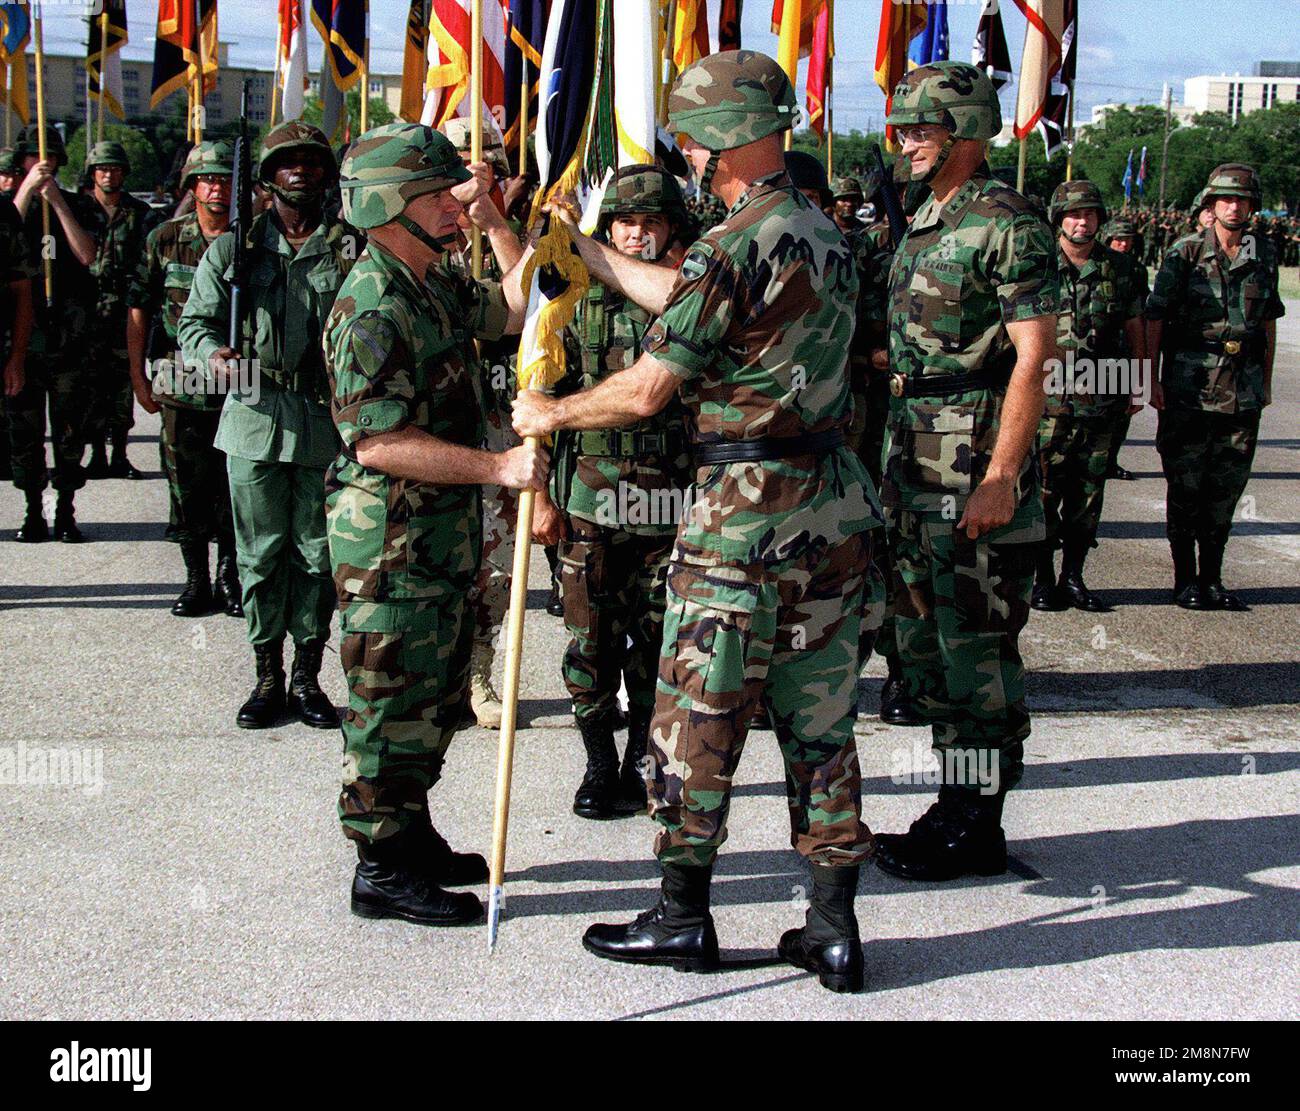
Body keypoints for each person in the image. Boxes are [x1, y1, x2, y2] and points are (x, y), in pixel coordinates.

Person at [514, 50, 884, 993]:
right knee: (821, 723)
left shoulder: (727, 245)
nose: (685, 151)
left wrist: (549, 414)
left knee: (698, 716)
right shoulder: (824, 233)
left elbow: (647, 388)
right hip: (832, 513)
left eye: (689, 134)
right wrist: (595, 259)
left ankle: (682, 917)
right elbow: (695, 305)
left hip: (740, 523)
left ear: (709, 135)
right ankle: (834, 929)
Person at [325, 122, 543, 926]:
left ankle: (409, 833)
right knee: (389, 703)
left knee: (434, 690)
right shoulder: (372, 305)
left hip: (435, 536)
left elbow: (521, 306)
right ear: (389, 207)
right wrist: (496, 469)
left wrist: (493, 220)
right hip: (389, 543)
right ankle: (380, 867)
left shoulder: (432, 278)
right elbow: (377, 442)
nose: (455, 208)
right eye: (440, 198)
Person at [870, 61, 1058, 883]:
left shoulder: (1007, 223)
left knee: (977, 650)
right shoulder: (922, 219)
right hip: (910, 454)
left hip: (971, 457)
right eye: (904, 126)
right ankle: (953, 804)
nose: (907, 140)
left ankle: (978, 821)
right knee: (923, 645)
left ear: (966, 132)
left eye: (923, 128)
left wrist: (1003, 473)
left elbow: (1034, 359)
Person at [179, 122, 355, 729]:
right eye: (287, 162)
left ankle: (307, 675)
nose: (300, 170)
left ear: (327, 175)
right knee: (259, 556)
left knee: (316, 554)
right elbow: (194, 324)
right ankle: (266, 675)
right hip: (253, 416)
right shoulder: (235, 249)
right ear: (266, 178)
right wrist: (212, 357)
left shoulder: (347, 247)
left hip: (324, 420)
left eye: (311, 161)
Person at [537, 164, 695, 820]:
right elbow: (539, 395)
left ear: (671, 230)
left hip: (669, 507)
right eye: (625, 223)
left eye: (650, 222)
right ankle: (599, 761)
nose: (636, 234)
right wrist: (541, 494)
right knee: (590, 640)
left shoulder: (692, 298)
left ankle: (639, 755)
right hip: (589, 505)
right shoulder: (571, 299)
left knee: (660, 642)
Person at [1146, 163, 1283, 611]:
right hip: (1189, 385)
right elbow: (1155, 319)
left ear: (1252, 207)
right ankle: (1185, 579)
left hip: (1242, 389)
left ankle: (1213, 578)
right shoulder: (1183, 253)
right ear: (1210, 205)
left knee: (1226, 489)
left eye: (1241, 200)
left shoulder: (1263, 254)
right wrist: (1150, 379)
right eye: (1225, 199)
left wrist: (1265, 378)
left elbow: (1267, 323)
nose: (1233, 206)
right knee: (1185, 487)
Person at [127, 140, 240, 618]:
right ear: (192, 186)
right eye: (208, 179)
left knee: (237, 486)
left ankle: (230, 576)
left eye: (226, 179)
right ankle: (197, 578)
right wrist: (137, 376)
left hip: (241, 379)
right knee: (187, 487)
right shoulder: (164, 238)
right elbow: (139, 309)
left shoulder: (252, 240)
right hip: (181, 378)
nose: (217, 188)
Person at [439, 117, 527, 729]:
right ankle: (432, 675)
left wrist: (492, 220)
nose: (473, 171)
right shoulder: (419, 229)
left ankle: (478, 673)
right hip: (434, 423)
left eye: (486, 159)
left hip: (496, 421)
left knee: (493, 564)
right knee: (431, 559)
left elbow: (523, 310)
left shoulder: (515, 230)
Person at [1031, 181, 1146, 613]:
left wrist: (1139, 382)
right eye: (1075, 215)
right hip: (1049, 395)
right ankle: (1042, 579)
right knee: (1044, 490)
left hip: (1103, 392)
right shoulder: (1036, 265)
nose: (1083, 222)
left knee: (1088, 492)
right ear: (1059, 219)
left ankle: (1073, 577)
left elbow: (1135, 328)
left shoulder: (1124, 269)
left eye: (1091, 214)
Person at [8, 126, 98, 542]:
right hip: (24, 343)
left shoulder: (80, 205)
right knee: (24, 432)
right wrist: (26, 192)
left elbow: (86, 255)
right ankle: (31, 510)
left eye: (46, 159)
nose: (39, 165)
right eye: (30, 158)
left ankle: (66, 509)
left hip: (69, 341)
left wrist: (58, 204)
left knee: (67, 431)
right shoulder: (10, 211)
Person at [82, 141, 155, 480]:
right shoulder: (79, 211)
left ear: (124, 172)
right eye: (102, 169)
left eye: (114, 168)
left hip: (127, 314)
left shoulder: (139, 213)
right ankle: (96, 452)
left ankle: (120, 453)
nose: (108, 174)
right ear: (92, 173)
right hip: (85, 315)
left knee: (125, 383)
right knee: (92, 386)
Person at [1099, 216, 1148, 482]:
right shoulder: (1100, 264)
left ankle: (1110, 460)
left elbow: (1140, 313)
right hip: (1100, 352)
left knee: (1121, 414)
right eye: (1118, 238)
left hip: (1124, 352)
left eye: (1127, 239)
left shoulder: (1135, 270)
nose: (1122, 243)